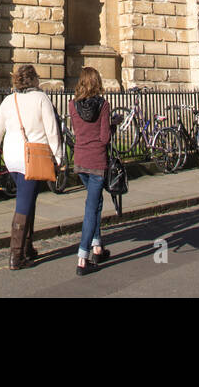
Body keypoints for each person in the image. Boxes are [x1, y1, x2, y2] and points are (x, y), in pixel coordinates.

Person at [0, 64, 63, 270]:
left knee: (30, 199)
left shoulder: (9, 100)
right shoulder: (41, 99)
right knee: (24, 203)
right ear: (34, 80)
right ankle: (16, 256)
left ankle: (28, 247)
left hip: (12, 158)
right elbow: (52, 130)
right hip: (33, 157)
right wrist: (59, 157)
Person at [69, 66, 111, 277]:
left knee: (96, 203)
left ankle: (97, 247)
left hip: (80, 161)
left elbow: (79, 131)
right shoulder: (103, 105)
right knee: (91, 209)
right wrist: (111, 127)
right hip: (96, 161)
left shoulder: (72, 105)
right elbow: (104, 138)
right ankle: (83, 258)